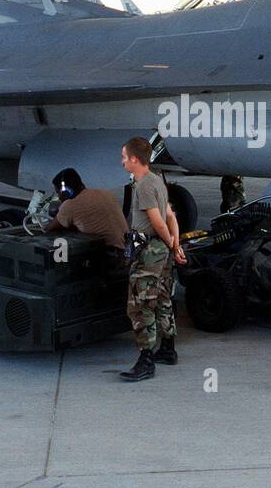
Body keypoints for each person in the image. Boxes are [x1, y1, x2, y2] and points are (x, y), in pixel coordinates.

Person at [118, 137, 186, 382]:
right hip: (162, 251)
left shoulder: (144, 185)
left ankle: (146, 359)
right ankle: (168, 348)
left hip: (149, 251)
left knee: (141, 303)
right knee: (163, 298)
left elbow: (158, 221)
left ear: (135, 159)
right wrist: (175, 246)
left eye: (125, 157)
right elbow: (172, 217)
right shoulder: (158, 181)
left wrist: (170, 243)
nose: (123, 161)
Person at [44, 167, 128, 254]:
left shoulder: (70, 205)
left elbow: (48, 230)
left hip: (109, 256)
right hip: (126, 251)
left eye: (58, 192)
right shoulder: (105, 193)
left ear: (66, 191)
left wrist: (60, 209)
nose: (58, 196)